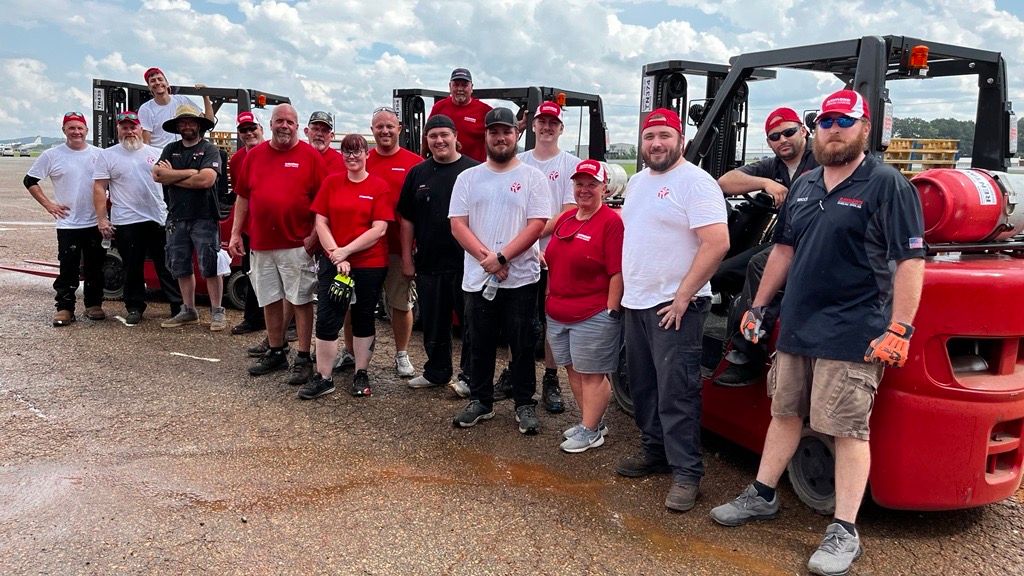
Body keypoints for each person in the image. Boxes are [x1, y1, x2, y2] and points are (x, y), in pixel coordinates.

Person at [709, 89, 925, 576]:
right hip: (797, 326)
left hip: (855, 331)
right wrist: (759, 306)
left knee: (847, 429)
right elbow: (783, 251)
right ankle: (762, 493)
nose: (833, 129)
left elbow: (911, 260)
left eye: (843, 121)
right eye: (825, 121)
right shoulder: (805, 185)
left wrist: (901, 328)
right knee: (784, 413)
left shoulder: (887, 184)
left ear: (865, 128)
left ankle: (844, 529)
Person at [617, 108, 729, 512]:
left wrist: (683, 296)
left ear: (680, 140)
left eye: (665, 135)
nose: (656, 144)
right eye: (650, 137)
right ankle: (655, 451)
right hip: (638, 301)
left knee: (676, 391)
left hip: (675, 305)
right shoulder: (638, 182)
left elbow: (716, 242)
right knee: (643, 385)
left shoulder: (696, 183)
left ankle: (687, 473)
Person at [448, 107, 549, 434]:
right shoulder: (468, 178)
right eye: (494, 132)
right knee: (479, 342)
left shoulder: (532, 177)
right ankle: (482, 400)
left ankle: (523, 403)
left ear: (516, 135)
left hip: (521, 280)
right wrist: (486, 259)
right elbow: (458, 225)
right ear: (486, 136)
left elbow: (537, 225)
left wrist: (503, 257)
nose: (501, 137)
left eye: (506, 131)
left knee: (522, 343)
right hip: (478, 280)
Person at [713, 107, 818, 386]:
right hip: (783, 240)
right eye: (774, 136)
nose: (782, 139)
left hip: (813, 242)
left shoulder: (820, 159)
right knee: (721, 272)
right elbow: (724, 182)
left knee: (759, 265)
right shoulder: (775, 166)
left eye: (789, 132)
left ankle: (748, 352)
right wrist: (765, 183)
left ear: (804, 131)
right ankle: (730, 322)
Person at [228, 104, 325, 386]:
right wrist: (236, 234)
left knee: (301, 300)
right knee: (270, 298)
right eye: (279, 121)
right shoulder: (254, 156)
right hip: (262, 243)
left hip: (297, 243)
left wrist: (314, 239)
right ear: (270, 124)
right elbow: (243, 197)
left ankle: (304, 357)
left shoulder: (310, 157)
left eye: (290, 122)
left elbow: (323, 203)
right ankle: (277, 349)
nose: (284, 126)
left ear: (297, 126)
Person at [299, 134, 393, 399]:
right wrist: (335, 255)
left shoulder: (378, 187)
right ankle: (324, 376)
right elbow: (321, 222)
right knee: (328, 317)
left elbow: (379, 229)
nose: (352, 157)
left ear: (367, 154)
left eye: (357, 151)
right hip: (334, 263)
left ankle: (360, 373)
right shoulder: (331, 183)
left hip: (368, 264)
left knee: (363, 317)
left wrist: (346, 252)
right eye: (347, 152)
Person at [544, 159, 623, 453]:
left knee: (591, 374)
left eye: (591, 184)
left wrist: (611, 311)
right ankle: (592, 422)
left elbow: (617, 271)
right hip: (559, 311)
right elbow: (552, 258)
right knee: (573, 370)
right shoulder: (566, 219)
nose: (584, 190)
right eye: (579, 184)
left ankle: (590, 430)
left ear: (604, 187)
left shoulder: (611, 222)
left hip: (593, 312)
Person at [398, 114, 478, 395]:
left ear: (456, 137)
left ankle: (470, 377)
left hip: (467, 264)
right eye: (433, 136)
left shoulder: (474, 172)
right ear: (427, 141)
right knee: (433, 322)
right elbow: (406, 219)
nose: (439, 140)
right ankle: (436, 371)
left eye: (444, 135)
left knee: (471, 324)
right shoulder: (418, 174)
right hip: (430, 263)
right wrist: (407, 258)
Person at [516, 100, 581, 414]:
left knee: (551, 317)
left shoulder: (570, 165)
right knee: (521, 318)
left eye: (552, 123)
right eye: (542, 122)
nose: (546, 127)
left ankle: (551, 377)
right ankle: (517, 373)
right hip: (522, 253)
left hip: (556, 253)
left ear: (560, 129)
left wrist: (537, 240)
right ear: (533, 125)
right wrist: (527, 244)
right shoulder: (519, 161)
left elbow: (569, 213)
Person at [92, 110, 183, 325]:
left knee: (166, 264)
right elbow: (99, 187)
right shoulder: (108, 155)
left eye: (133, 127)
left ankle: (177, 305)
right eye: (125, 127)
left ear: (140, 129)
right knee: (132, 266)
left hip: (158, 217)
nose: (129, 131)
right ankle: (134, 306)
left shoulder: (158, 152)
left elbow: (172, 183)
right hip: (126, 220)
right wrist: (102, 219)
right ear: (118, 130)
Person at [24, 112, 105, 327]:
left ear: (87, 130)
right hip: (68, 223)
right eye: (71, 128)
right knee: (68, 266)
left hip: (94, 221)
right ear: (64, 131)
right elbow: (30, 180)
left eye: (80, 128)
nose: (76, 132)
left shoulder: (100, 154)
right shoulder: (52, 155)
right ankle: (65, 307)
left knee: (95, 265)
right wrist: (49, 205)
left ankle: (93, 304)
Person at [151, 105, 226, 331]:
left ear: (199, 125)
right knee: (180, 265)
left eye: (191, 122)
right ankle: (188, 310)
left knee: (210, 265)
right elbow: (157, 175)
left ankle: (217, 311)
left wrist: (171, 177)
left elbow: (206, 180)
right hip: (176, 216)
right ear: (177, 126)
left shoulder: (209, 150)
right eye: (182, 122)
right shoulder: (170, 149)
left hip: (204, 215)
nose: (186, 126)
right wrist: (190, 173)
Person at [365, 105, 424, 379]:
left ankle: (401, 354)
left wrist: (412, 251)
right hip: (365, 249)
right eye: (380, 126)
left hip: (399, 248)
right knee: (357, 303)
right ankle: (354, 353)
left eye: (390, 126)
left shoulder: (415, 163)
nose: (385, 131)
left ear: (400, 129)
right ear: (372, 130)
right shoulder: (363, 161)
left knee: (401, 303)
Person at [228, 110, 267, 336]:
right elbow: (240, 196)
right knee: (250, 272)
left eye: (252, 128)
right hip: (250, 226)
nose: (249, 133)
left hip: (271, 226)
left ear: (261, 129)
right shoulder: (236, 159)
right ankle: (252, 318)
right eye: (244, 130)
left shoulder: (273, 152)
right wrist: (237, 230)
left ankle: (287, 324)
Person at [138, 67, 214, 149]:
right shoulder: (146, 109)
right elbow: (146, 142)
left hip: (183, 152)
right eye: (152, 81)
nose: (157, 83)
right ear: (149, 87)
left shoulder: (182, 100)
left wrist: (205, 96)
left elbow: (209, 122)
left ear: (167, 83)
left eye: (160, 79)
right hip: (159, 153)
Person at [428, 68, 492, 162]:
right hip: (444, 167)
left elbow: (501, 132)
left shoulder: (485, 111)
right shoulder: (439, 107)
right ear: (450, 86)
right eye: (456, 85)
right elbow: (427, 134)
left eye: (464, 85)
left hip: (474, 170)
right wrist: (423, 158)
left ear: (471, 87)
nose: (460, 89)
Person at [305, 111, 346, 175]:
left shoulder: (341, 162)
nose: (319, 134)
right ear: (306, 131)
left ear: (332, 136)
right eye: (315, 129)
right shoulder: (297, 157)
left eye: (325, 130)